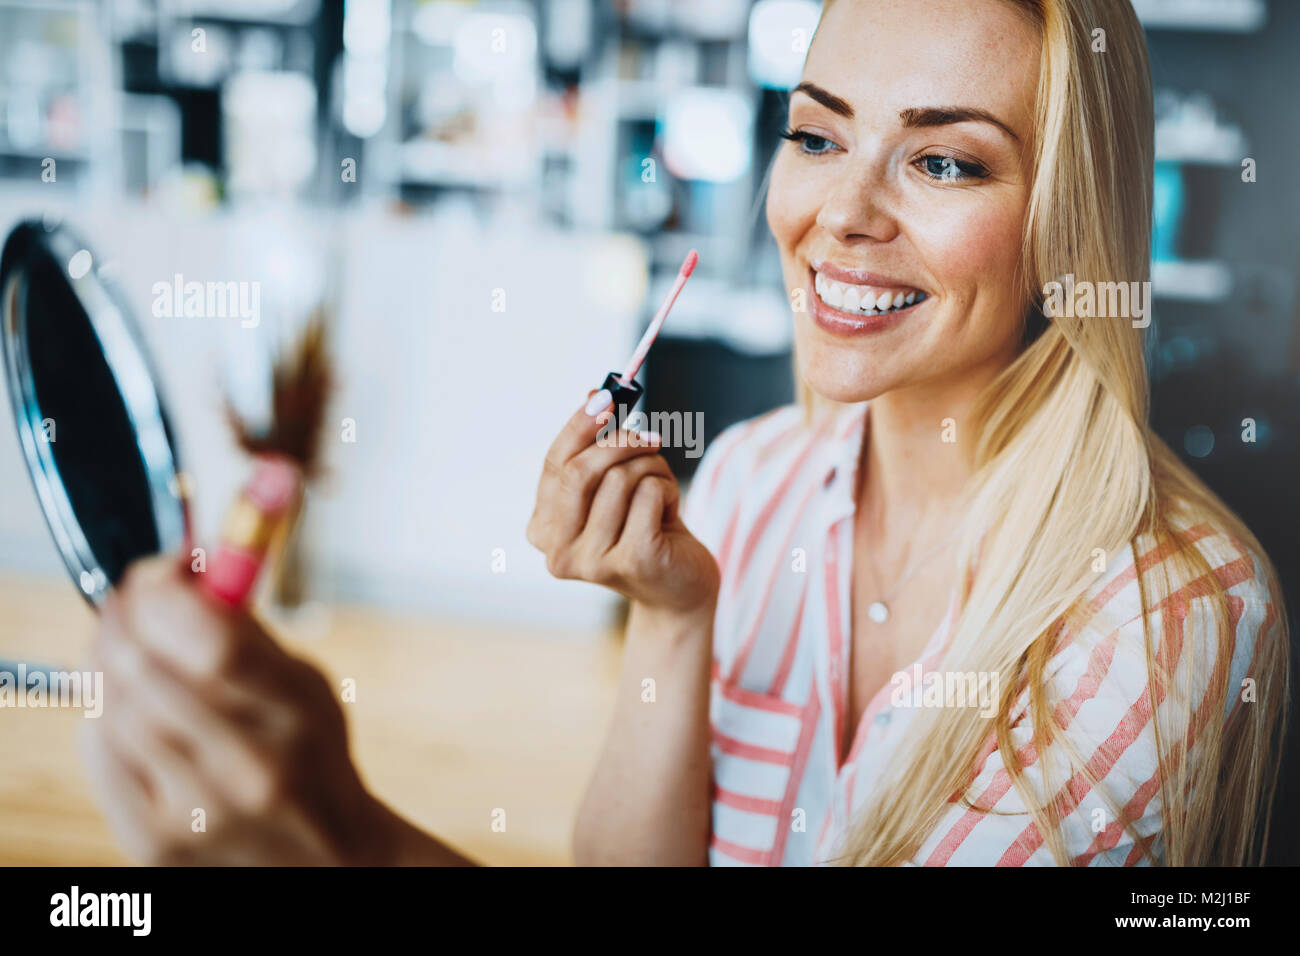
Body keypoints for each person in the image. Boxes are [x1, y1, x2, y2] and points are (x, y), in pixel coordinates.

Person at [86, 0, 1288, 866]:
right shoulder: (753, 482)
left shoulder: (1167, 606)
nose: (839, 213)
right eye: (816, 136)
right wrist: (673, 614)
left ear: (1065, 228)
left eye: (941, 159)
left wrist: (349, 838)